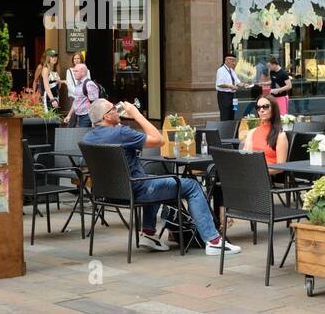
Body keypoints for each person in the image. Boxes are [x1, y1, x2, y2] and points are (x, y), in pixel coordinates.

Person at [85, 98, 238, 256]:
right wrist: (137, 114)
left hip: (109, 194)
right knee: (192, 186)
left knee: (154, 178)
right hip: (138, 190)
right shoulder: (121, 133)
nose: (117, 111)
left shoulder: (88, 138)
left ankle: (148, 233)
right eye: (113, 109)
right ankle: (213, 241)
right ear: (106, 117)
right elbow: (159, 140)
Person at [242, 97, 289, 165]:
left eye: (265, 107)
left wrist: (257, 170)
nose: (261, 110)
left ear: (274, 109)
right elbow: (245, 158)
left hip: (266, 173)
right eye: (258, 107)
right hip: (250, 171)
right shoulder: (252, 132)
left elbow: (281, 167)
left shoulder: (280, 135)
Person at [63, 62, 100, 127]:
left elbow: (95, 103)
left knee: (81, 135)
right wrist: (69, 115)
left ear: (83, 72)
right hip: (78, 116)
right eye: (74, 71)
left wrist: (93, 121)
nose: (74, 73)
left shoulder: (89, 84)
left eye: (76, 71)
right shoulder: (79, 84)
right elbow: (76, 101)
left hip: (87, 116)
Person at [215, 52, 244, 120]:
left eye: (234, 61)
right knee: (225, 114)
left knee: (232, 113)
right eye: (232, 61)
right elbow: (219, 84)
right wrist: (231, 86)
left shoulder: (232, 70)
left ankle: (231, 129)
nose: (234, 63)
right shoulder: (221, 70)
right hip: (224, 96)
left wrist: (243, 84)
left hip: (232, 96)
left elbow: (237, 81)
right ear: (227, 60)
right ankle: (225, 130)